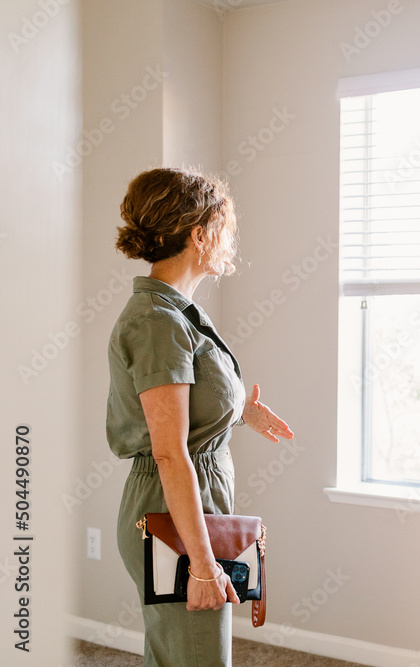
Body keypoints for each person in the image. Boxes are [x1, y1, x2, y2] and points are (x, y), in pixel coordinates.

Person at [107, 167, 294, 666]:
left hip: (193, 494)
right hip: (171, 499)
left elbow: (179, 410)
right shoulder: (158, 322)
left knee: (178, 653)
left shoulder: (179, 311)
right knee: (196, 657)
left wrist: (237, 412)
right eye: (225, 228)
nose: (230, 240)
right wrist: (204, 564)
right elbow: (169, 453)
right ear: (198, 234)